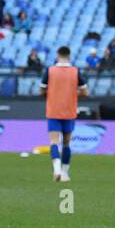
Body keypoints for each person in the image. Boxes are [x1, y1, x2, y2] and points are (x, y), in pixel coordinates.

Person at [41, 46, 86, 183]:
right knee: (66, 143)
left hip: (53, 110)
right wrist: (72, 93)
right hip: (69, 111)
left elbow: (42, 90)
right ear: (69, 56)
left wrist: (52, 94)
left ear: (57, 55)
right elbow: (84, 92)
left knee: (54, 142)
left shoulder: (49, 71)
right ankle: (65, 173)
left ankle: (56, 170)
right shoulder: (76, 72)